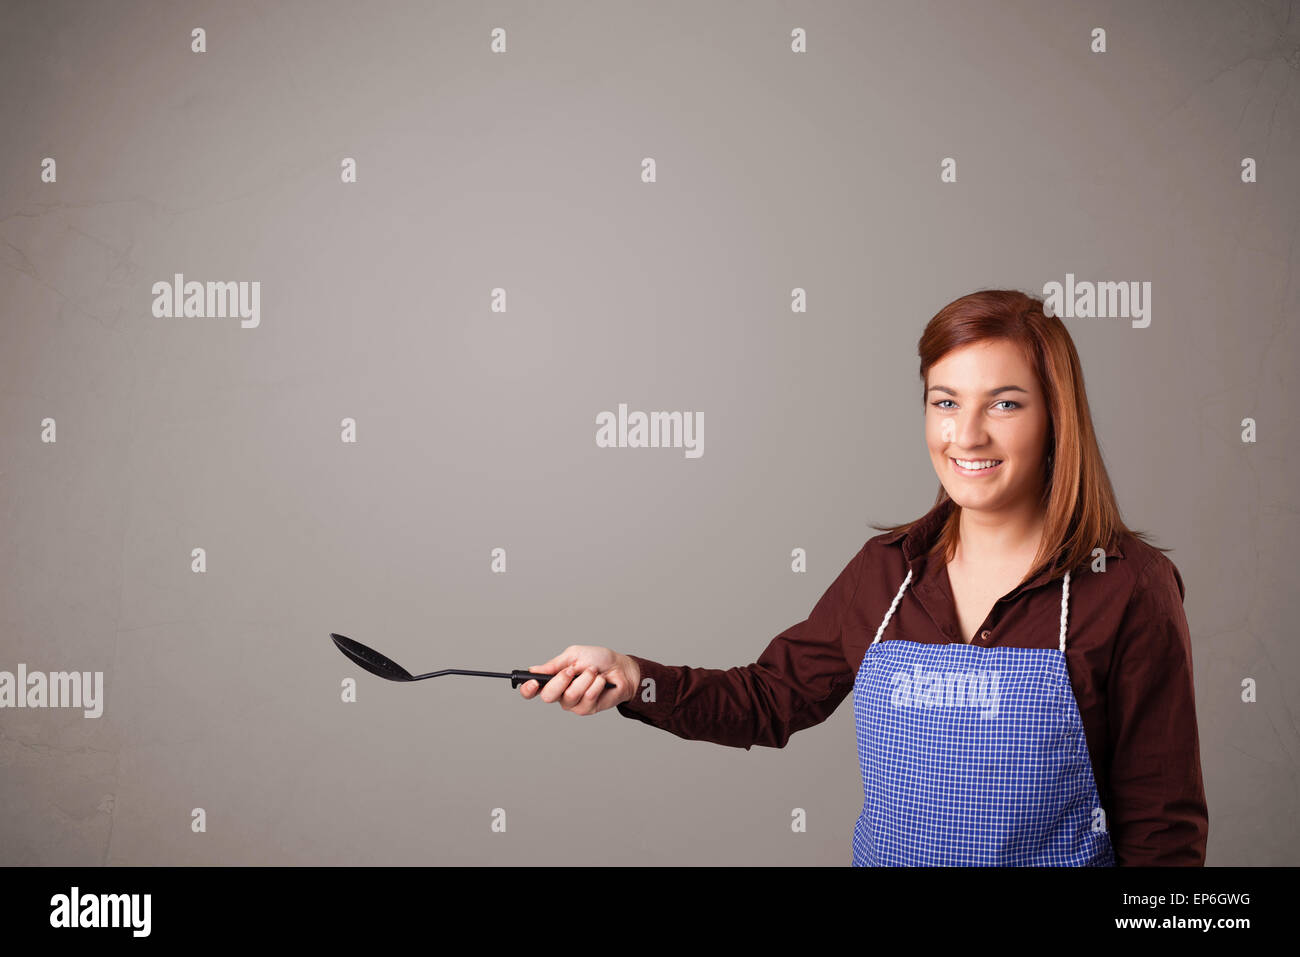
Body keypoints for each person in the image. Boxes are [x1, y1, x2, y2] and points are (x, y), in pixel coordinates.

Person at [518, 289, 1208, 866]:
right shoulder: (887, 575)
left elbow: (1162, 827)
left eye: (1004, 403)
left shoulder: (1126, 586)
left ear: (1057, 418)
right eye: (945, 402)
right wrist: (633, 675)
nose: (966, 436)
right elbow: (767, 699)